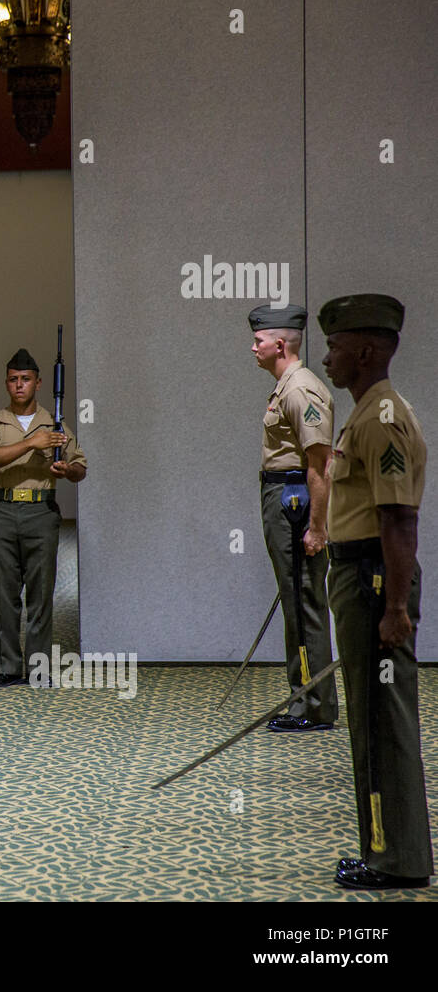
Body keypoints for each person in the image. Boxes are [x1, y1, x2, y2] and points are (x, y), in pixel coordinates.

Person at [319, 294, 430, 889]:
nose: (329, 358)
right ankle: (386, 850)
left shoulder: (383, 417)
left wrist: (393, 608)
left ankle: (396, 860)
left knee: (381, 720)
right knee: (371, 718)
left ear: (364, 351)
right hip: (362, 577)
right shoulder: (366, 412)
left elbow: (398, 519)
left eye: (336, 347)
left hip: (372, 581)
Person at [249, 304, 339, 731]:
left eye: (259, 341)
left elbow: (320, 464)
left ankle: (314, 706)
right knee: (297, 606)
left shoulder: (300, 389)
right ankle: (306, 699)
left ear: (280, 344)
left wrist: (317, 527)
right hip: (286, 500)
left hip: (295, 505)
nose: (254, 347)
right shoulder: (286, 386)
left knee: (304, 607)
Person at [0, 348, 86, 688]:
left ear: (38, 383)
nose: (19, 385)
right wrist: (31, 443)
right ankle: (7, 667)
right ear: (6, 384)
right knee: (5, 592)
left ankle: (39, 667)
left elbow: (81, 467)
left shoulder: (54, 424)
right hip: (4, 511)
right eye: (13, 380)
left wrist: (67, 469)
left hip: (41, 512)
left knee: (41, 593)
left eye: (25, 380)